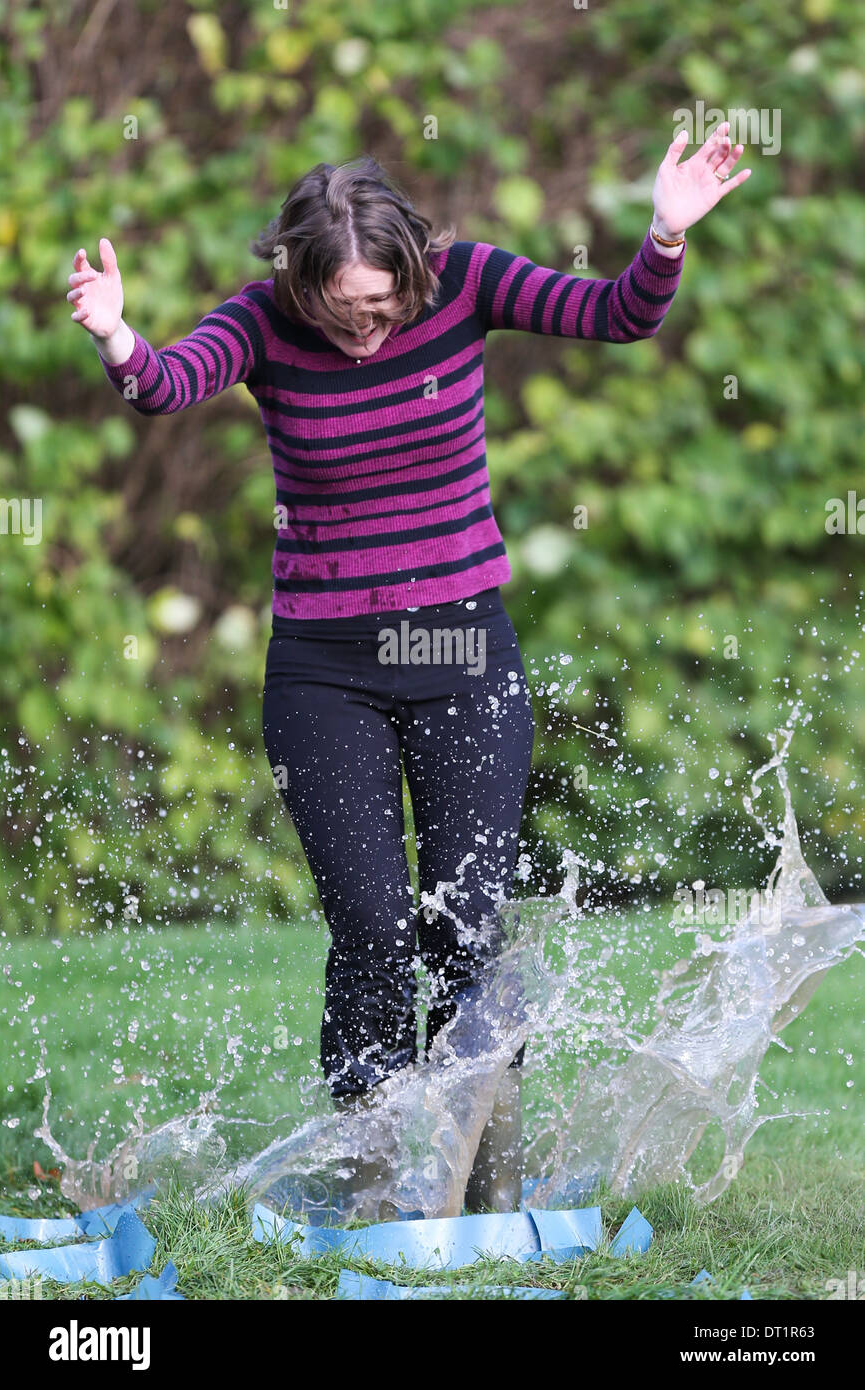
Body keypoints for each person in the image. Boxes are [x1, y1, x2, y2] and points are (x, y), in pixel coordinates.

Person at [67, 129, 749, 1213]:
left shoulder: (466, 281)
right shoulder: (261, 322)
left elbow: (618, 314)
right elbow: (167, 382)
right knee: (375, 929)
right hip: (325, 667)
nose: (365, 327)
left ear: (416, 270)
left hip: (459, 650)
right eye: (342, 308)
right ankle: (374, 1171)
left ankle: (486, 1175)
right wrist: (116, 337)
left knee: (464, 926)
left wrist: (663, 230)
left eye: (384, 305)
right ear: (298, 276)